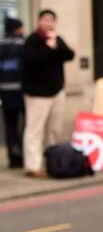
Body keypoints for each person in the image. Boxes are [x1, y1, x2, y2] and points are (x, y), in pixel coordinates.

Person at [22, 9, 75, 178]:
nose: (49, 23)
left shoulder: (56, 39)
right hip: (37, 94)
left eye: (51, 20)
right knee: (34, 131)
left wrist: (56, 46)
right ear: (39, 21)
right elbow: (30, 60)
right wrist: (48, 49)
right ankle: (33, 166)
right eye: (45, 19)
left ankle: (53, 161)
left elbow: (70, 55)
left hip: (56, 92)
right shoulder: (32, 40)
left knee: (53, 130)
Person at [0, 14, 26, 168]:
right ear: (17, 28)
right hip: (22, 91)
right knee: (26, 125)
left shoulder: (1, 44)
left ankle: (13, 158)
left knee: (10, 125)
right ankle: (22, 154)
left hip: (4, 91)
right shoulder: (22, 44)